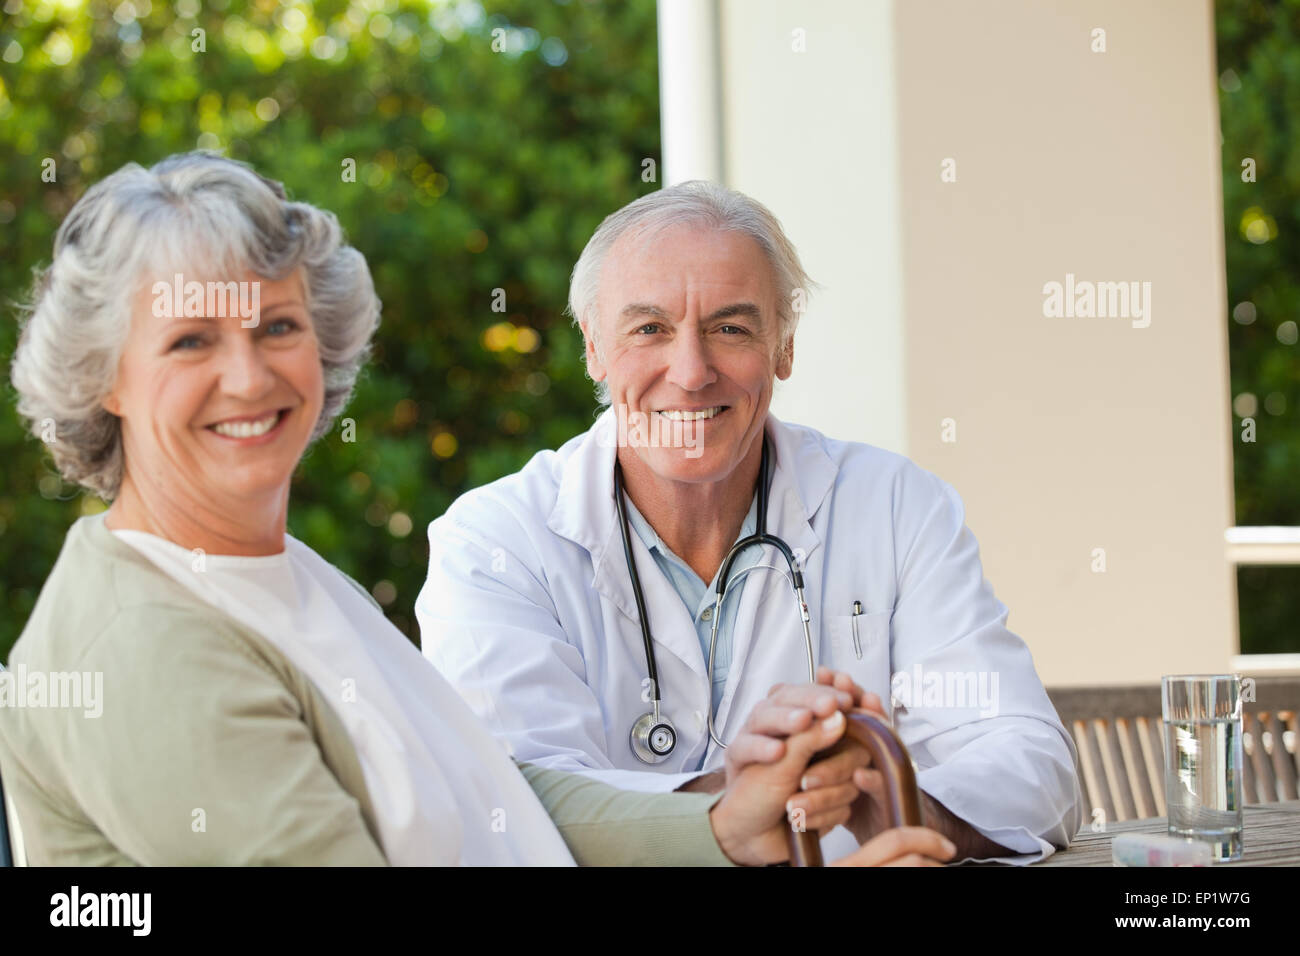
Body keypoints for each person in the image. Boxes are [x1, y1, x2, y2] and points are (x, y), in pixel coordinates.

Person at [0, 152, 956, 866]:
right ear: (105, 378)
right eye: (190, 342)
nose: (248, 377)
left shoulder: (278, 577)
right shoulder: (143, 642)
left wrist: (717, 826)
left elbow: (485, 791)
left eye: (278, 326)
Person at [417, 180, 1084, 865]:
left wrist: (882, 789)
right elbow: (504, 803)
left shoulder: (895, 505)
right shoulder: (494, 542)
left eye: (730, 328)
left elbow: (1033, 764)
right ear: (594, 346)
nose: (691, 371)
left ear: (784, 345)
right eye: (649, 328)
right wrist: (747, 795)